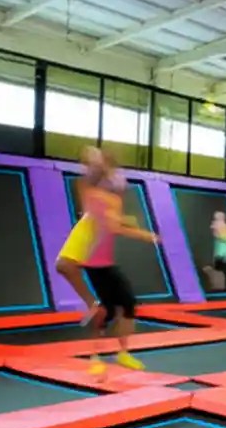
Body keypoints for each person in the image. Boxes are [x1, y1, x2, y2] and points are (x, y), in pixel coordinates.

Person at [81, 154, 163, 376]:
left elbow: (110, 222)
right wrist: (145, 234)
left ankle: (120, 353)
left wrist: (125, 221)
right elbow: (113, 227)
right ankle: (98, 355)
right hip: (95, 262)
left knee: (123, 305)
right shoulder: (97, 196)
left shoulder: (101, 198)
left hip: (100, 262)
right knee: (118, 306)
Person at [55, 147, 107, 326]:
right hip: (89, 222)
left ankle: (96, 305)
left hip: (95, 223)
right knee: (64, 265)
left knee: (65, 265)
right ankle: (94, 304)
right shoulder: (84, 181)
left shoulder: (103, 177)